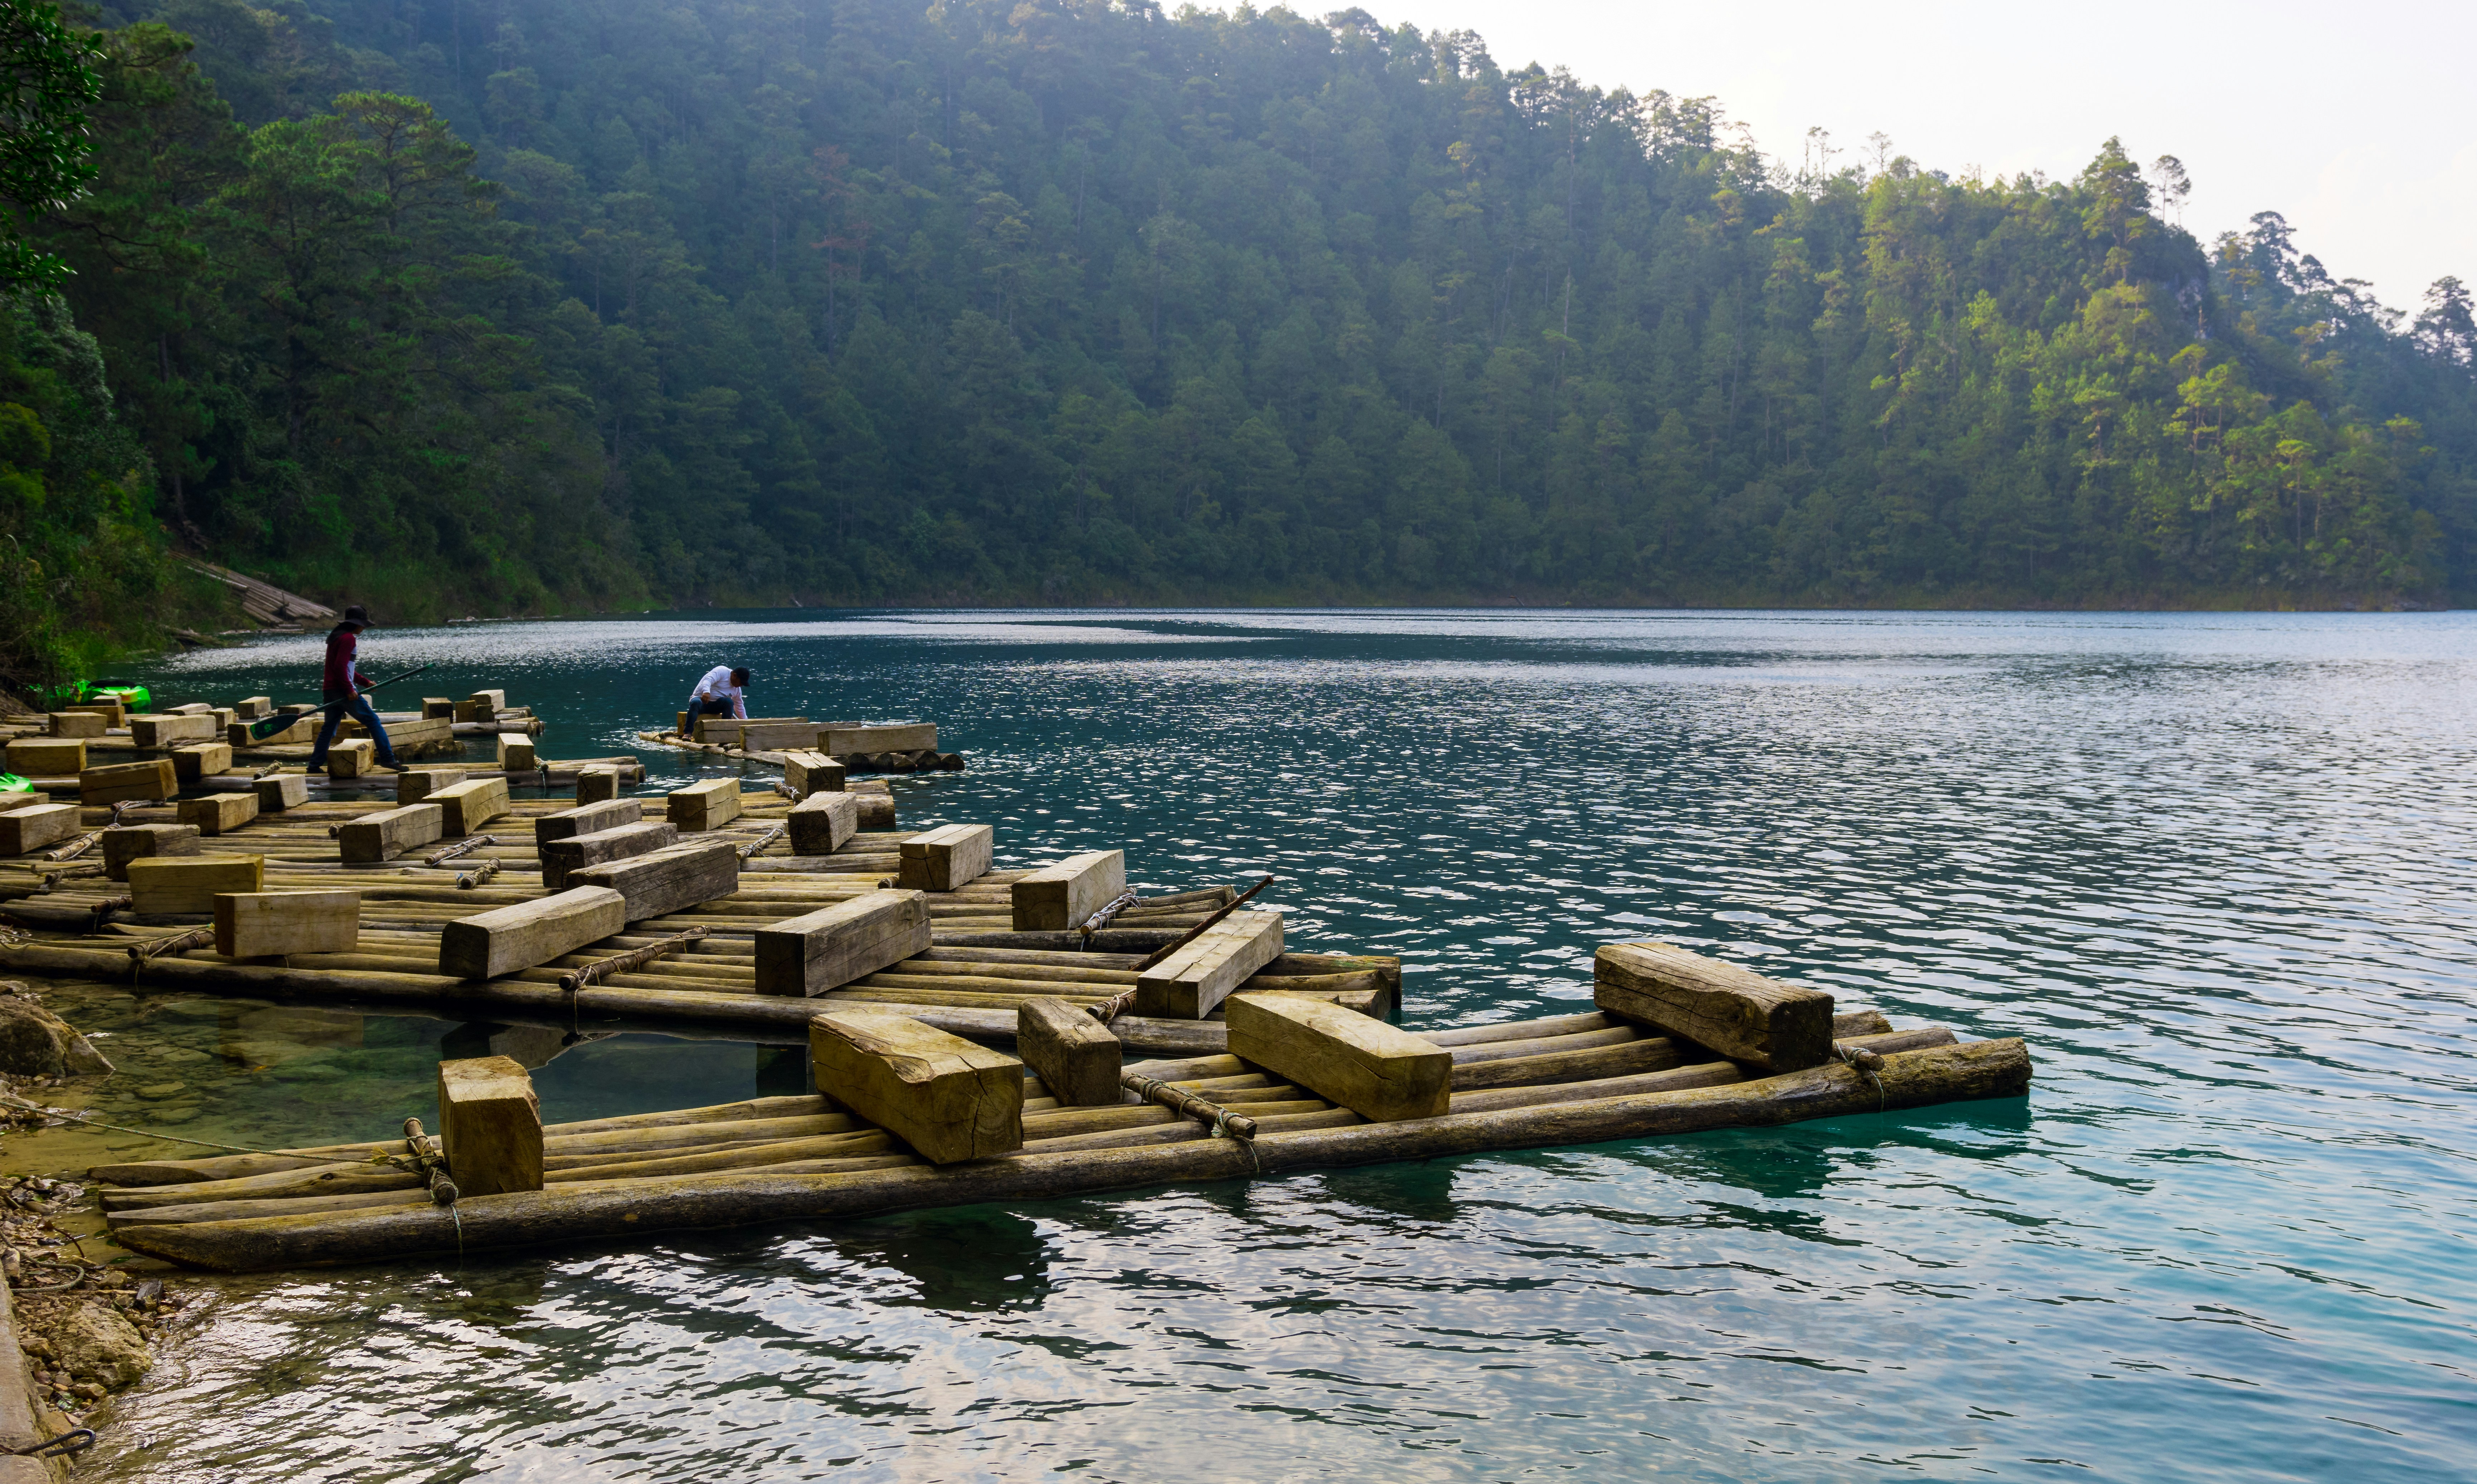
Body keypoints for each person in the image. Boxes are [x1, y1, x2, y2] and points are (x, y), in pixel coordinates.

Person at [307, 605, 401, 773]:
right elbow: (340, 668)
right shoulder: (348, 639)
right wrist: (350, 689)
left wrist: (364, 682)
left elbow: (345, 668)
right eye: (362, 624)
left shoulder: (337, 637)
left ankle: (314, 766)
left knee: (328, 728)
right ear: (355, 624)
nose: (364, 627)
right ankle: (388, 759)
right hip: (341, 690)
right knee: (373, 721)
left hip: (330, 690)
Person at [682, 665, 751, 735]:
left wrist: (746, 722)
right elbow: (708, 680)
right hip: (701, 703)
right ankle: (688, 733)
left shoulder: (737, 690)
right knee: (696, 702)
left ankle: (725, 734)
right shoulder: (722, 671)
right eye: (741, 682)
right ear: (734, 675)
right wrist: (706, 692)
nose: (741, 685)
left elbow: (739, 706)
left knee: (729, 702)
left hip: (715, 708)